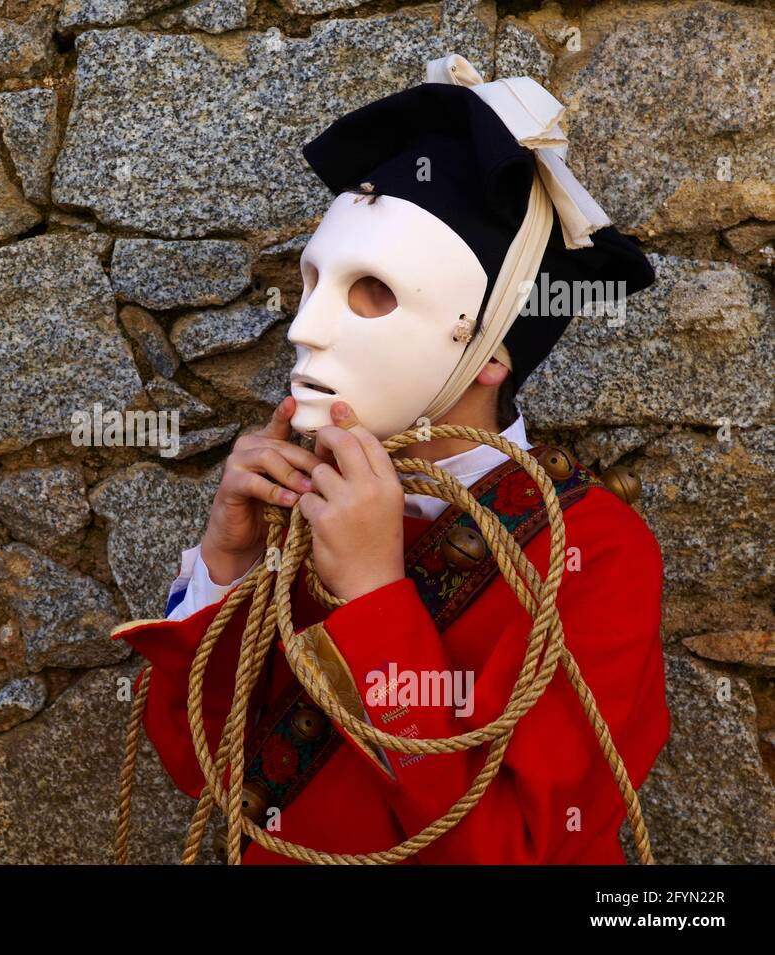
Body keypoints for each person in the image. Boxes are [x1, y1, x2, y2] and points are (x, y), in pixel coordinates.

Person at [113, 55, 670, 864]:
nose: (305, 328)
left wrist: (376, 598)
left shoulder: (595, 557)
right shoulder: (306, 513)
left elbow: (510, 850)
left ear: (488, 349)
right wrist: (227, 563)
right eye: (311, 282)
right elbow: (206, 769)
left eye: (372, 289)